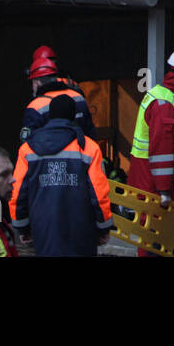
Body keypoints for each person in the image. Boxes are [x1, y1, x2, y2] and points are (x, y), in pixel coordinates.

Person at [10, 95, 113, 256]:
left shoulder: (27, 148)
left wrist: (22, 227)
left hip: (42, 228)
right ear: (74, 116)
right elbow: (99, 193)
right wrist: (103, 227)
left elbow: (18, 191)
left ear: (50, 115)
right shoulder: (88, 147)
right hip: (81, 230)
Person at [129, 48, 174, 214]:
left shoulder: (160, 95)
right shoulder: (165, 104)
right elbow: (162, 149)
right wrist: (164, 190)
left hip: (145, 172)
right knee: (155, 229)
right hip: (152, 180)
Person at [20, 55, 95, 142]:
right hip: (80, 153)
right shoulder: (78, 97)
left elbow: (28, 142)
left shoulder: (36, 106)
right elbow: (90, 132)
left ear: (37, 83)